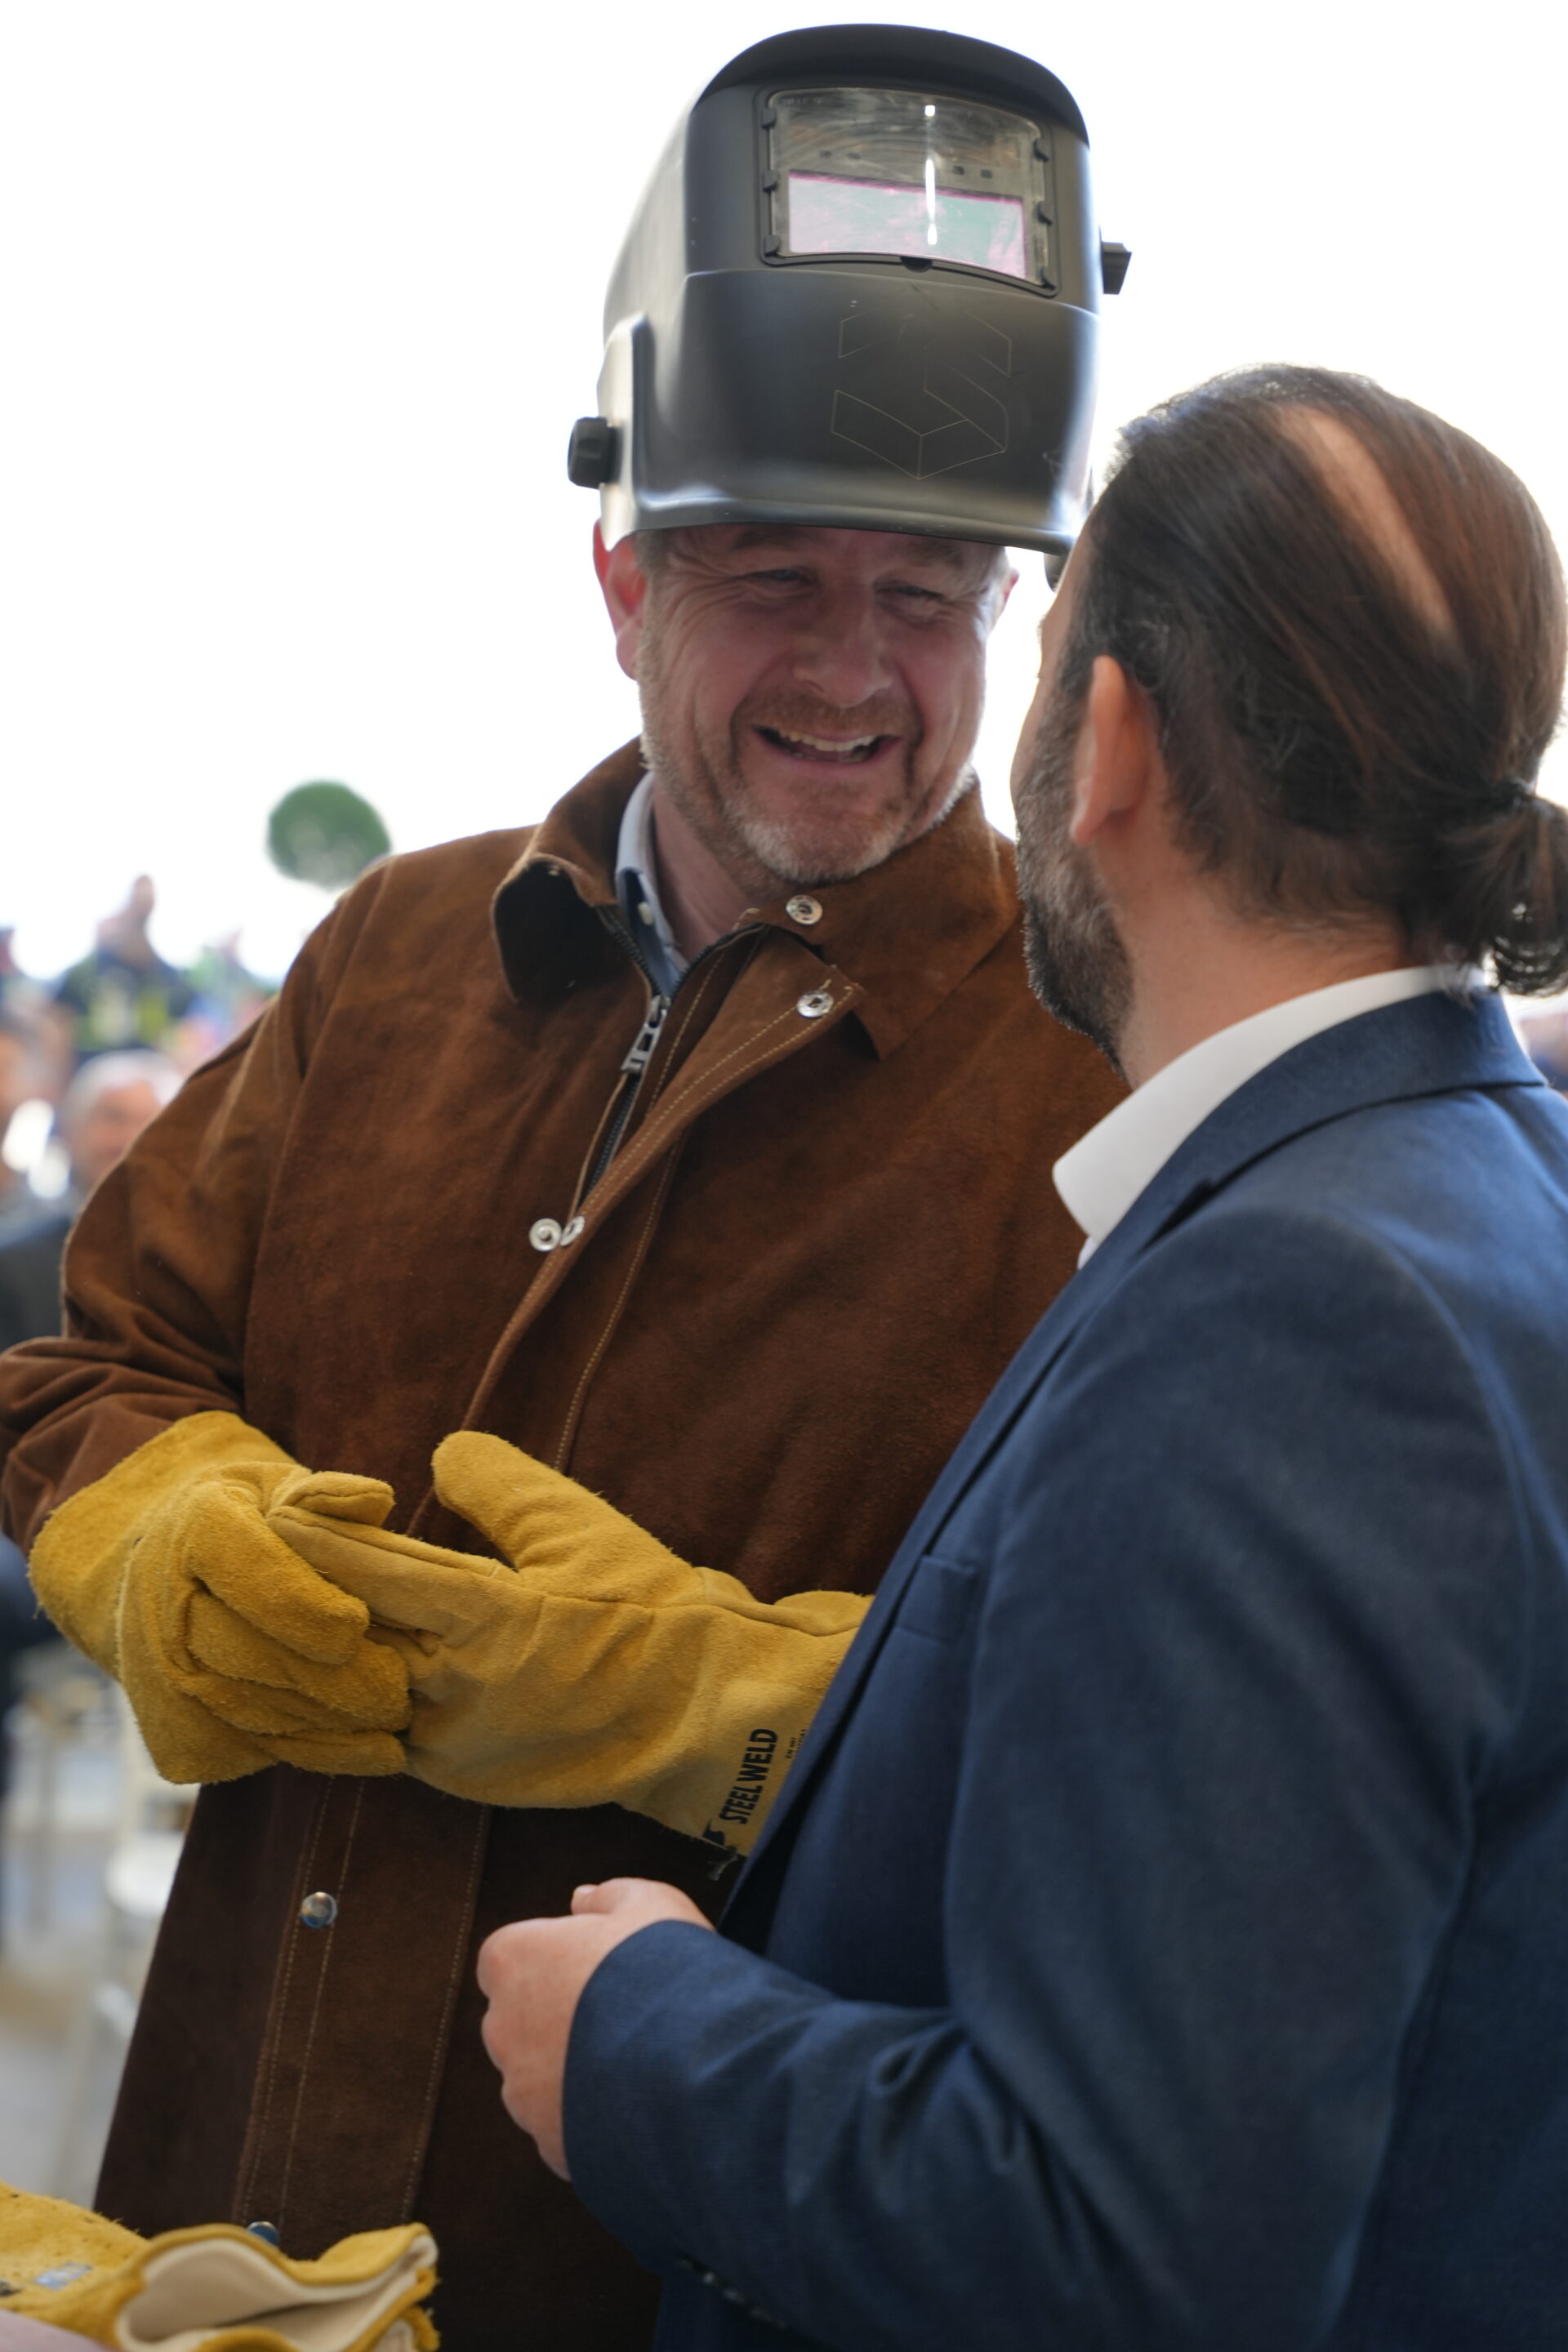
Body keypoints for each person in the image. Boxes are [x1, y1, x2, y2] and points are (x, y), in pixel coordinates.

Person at [0, 28, 1125, 2347]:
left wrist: (748, 1712)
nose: (851, 666)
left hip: (684, 2264)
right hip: (221, 2206)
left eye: (924, 592)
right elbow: (86, 1359)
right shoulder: (398, 950)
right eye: (767, 576)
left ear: (1014, 617)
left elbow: (1154, 1735)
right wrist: (153, 1527)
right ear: (621, 574)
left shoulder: (1091, 1060)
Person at [474, 365, 1568, 2351]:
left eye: (1026, 637)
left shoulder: (1300, 1316)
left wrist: (643, 2034)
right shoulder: (1477, 1184)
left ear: (1115, 744)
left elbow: (1127, 2249)